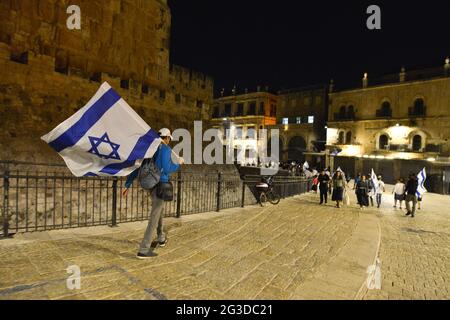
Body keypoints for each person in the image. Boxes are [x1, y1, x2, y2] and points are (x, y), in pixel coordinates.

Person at [124, 128, 184, 259]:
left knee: (159, 210)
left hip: (151, 186)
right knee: (154, 216)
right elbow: (167, 169)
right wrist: (178, 164)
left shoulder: (150, 149)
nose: (169, 141)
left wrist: (128, 184)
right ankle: (144, 249)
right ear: (167, 138)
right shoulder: (165, 149)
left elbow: (137, 167)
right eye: (169, 139)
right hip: (160, 185)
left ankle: (161, 237)